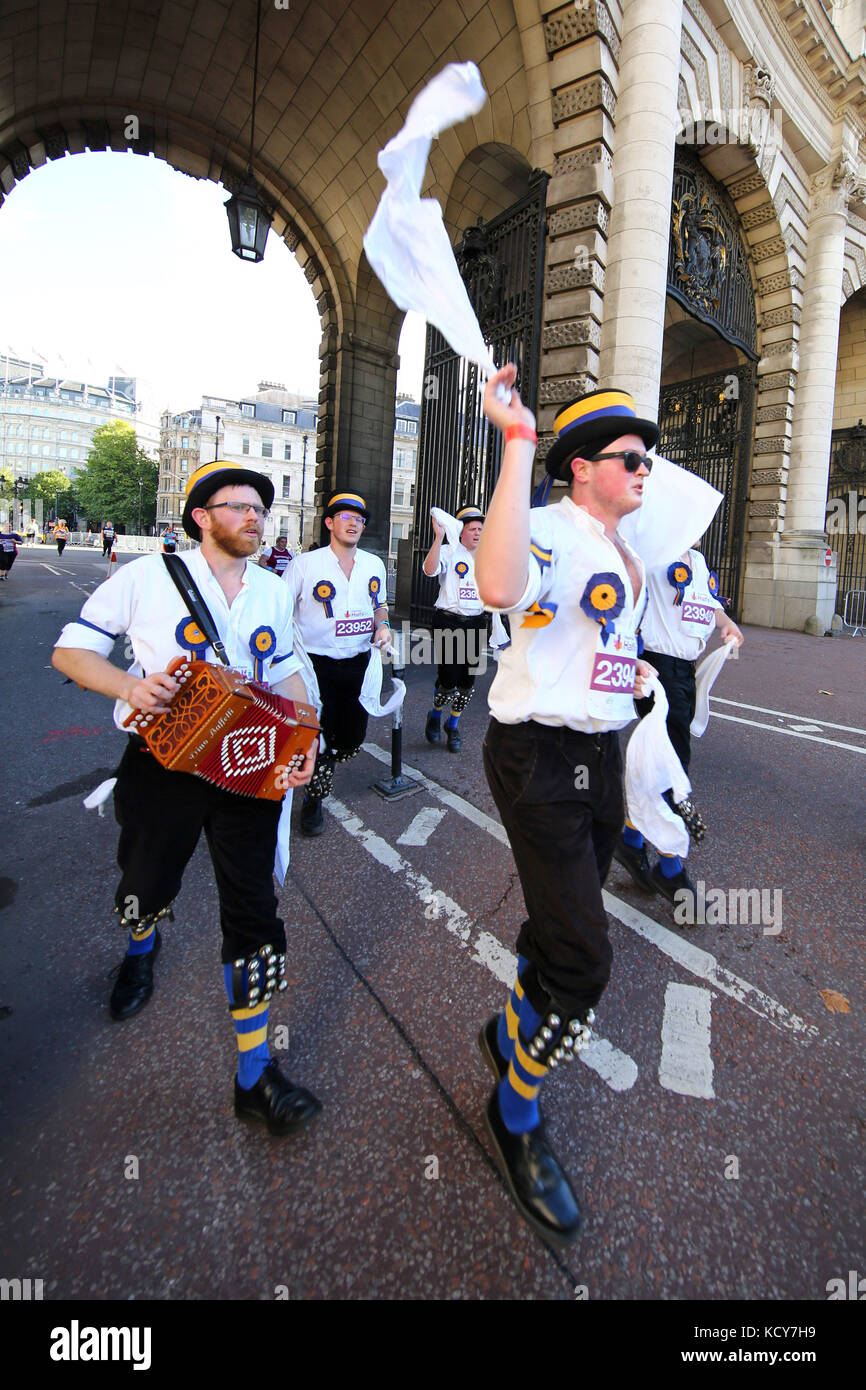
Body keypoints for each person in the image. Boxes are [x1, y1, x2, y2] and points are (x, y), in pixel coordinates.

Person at [52, 460, 321, 1137]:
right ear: (201, 516)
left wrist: (305, 734)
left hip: (249, 763)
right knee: (145, 882)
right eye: (238, 507)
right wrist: (126, 688)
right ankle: (141, 946)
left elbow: (285, 668)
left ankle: (255, 1074)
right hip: (162, 761)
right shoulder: (145, 577)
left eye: (261, 507)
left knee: (255, 911)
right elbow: (71, 652)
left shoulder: (271, 586)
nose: (255, 517)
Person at [473, 368, 659, 1246]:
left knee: (556, 929)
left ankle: (508, 1026)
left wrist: (635, 675)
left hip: (598, 748)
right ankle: (514, 1114)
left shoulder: (625, 549)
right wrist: (516, 445)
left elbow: (596, 646)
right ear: (582, 466)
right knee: (584, 963)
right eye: (632, 456)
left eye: (649, 457)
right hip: (539, 753)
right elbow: (503, 588)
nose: (646, 468)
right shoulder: (546, 525)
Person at [614, 548, 743, 904]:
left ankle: (630, 837)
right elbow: (630, 602)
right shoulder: (653, 553)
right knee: (671, 766)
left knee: (663, 762)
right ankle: (669, 868)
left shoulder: (699, 561)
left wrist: (725, 622)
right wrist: (632, 656)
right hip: (659, 670)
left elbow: (707, 601)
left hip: (685, 671)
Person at [287, 492, 390, 836]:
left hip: (359, 664)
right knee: (318, 735)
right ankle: (314, 798)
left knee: (350, 738)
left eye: (359, 519)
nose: (353, 523)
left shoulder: (374, 564)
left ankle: (325, 762)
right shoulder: (304, 565)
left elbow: (380, 605)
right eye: (345, 517)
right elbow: (281, 614)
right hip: (315, 666)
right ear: (330, 523)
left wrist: (384, 625)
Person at [422, 505, 488, 753]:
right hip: (448, 621)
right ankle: (436, 714)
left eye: (480, 528)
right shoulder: (449, 551)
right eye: (472, 528)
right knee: (449, 678)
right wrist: (439, 537)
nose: (477, 533)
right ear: (461, 532)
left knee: (467, 681)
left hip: (476, 622)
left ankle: (453, 724)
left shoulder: (488, 556)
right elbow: (429, 571)